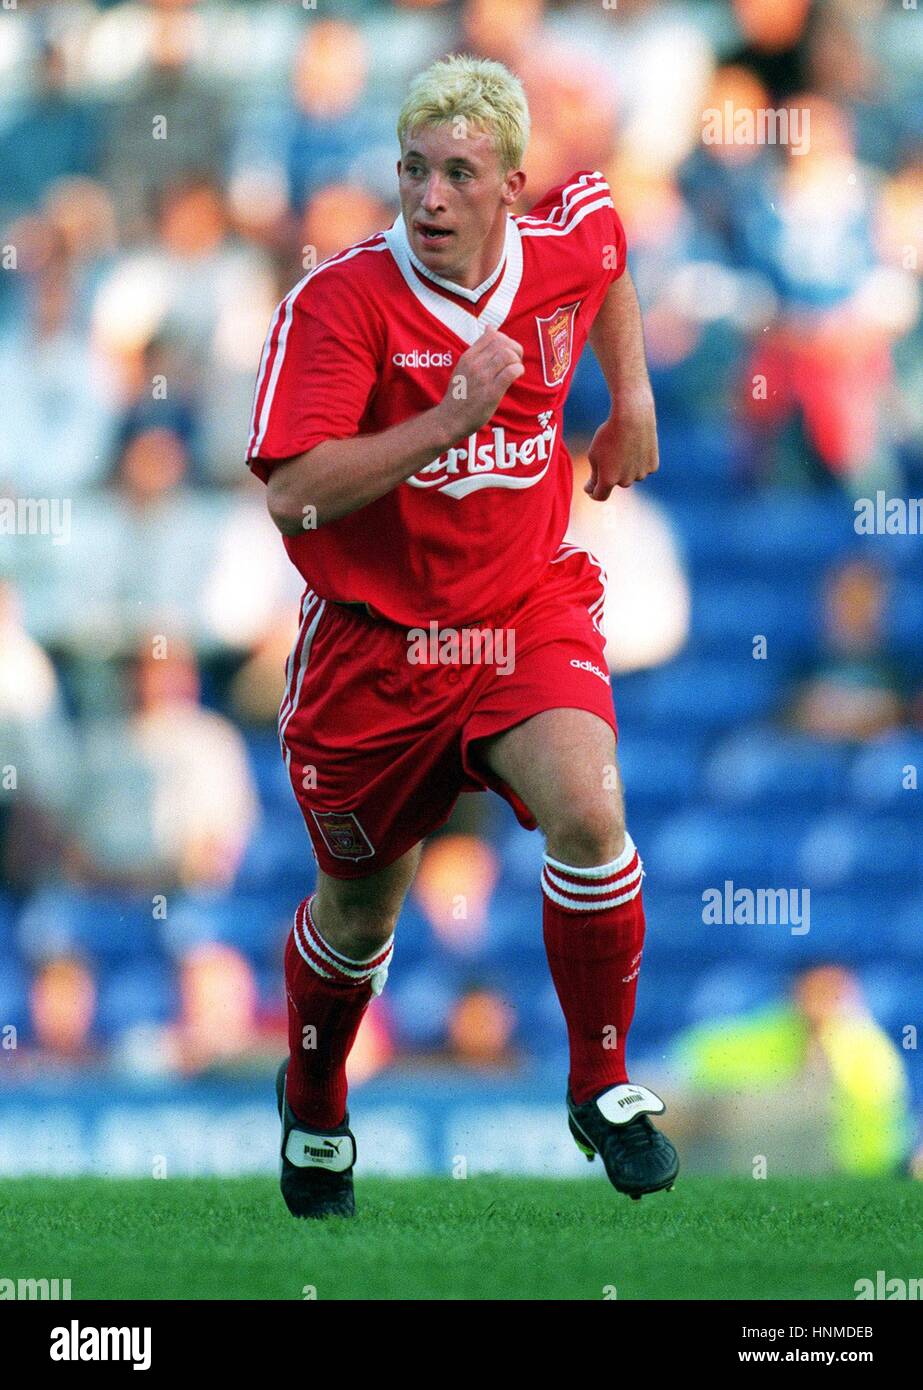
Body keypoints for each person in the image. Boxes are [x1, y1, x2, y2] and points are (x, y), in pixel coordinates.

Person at [246, 55, 676, 1218]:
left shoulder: (558, 243)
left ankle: (599, 1079)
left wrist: (627, 396)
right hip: (375, 648)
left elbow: (608, 239)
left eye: (457, 175)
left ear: (510, 186)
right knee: (357, 913)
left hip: (518, 610)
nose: (429, 198)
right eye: (411, 172)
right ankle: (318, 1093)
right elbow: (295, 494)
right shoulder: (337, 304)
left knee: (589, 806)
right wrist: (450, 417)